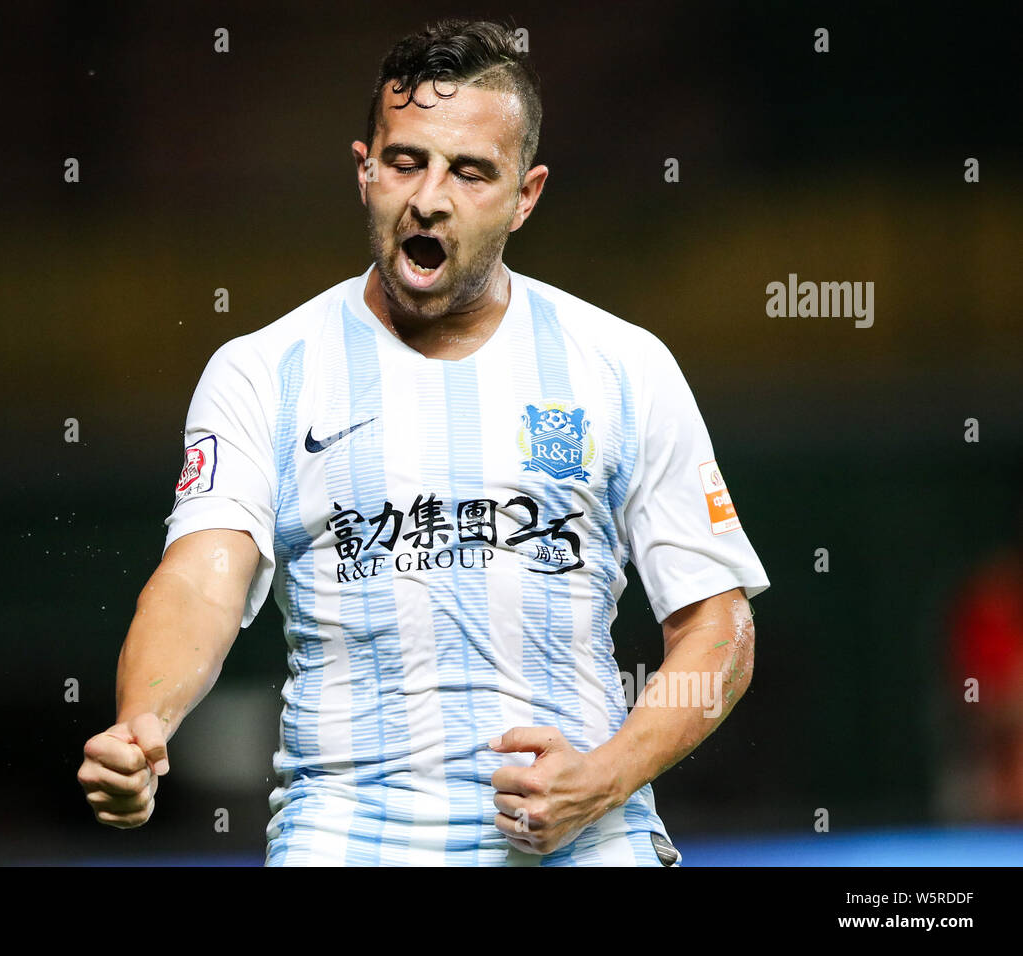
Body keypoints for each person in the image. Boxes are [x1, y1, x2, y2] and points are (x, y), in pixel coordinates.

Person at [77, 18, 770, 866]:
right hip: (346, 840)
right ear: (365, 169)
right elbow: (200, 582)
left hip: (588, 841)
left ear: (527, 194)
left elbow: (717, 625)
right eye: (407, 160)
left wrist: (606, 776)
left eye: (471, 171)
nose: (430, 197)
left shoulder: (621, 366)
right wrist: (143, 721)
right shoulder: (264, 371)